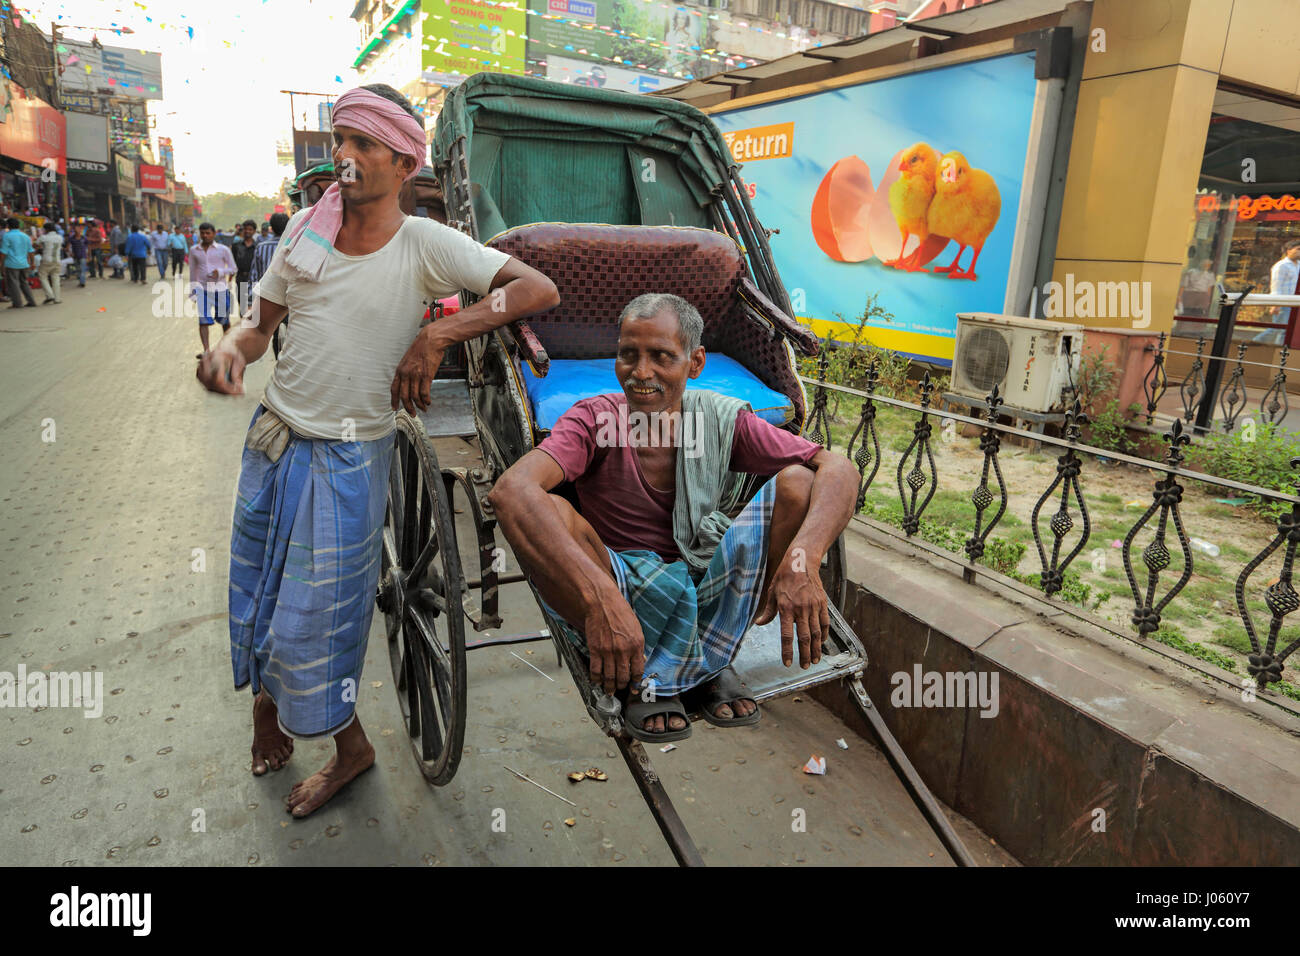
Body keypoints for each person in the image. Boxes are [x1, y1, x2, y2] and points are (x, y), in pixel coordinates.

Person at [196, 83, 558, 817]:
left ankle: (350, 751)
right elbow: (259, 328)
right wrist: (232, 351)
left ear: (402, 162)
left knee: (316, 617)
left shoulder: (426, 242)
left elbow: (535, 288)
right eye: (341, 142)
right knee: (258, 590)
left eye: (364, 145)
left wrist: (436, 335)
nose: (346, 158)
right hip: (273, 440)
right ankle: (268, 706)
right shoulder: (304, 232)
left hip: (350, 458)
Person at [489, 293, 860, 740]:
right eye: (629, 355)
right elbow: (511, 490)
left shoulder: (718, 419)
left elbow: (837, 468)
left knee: (798, 482)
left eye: (662, 356)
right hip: (620, 586)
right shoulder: (594, 418)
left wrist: (802, 563)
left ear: (695, 362)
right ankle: (656, 671)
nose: (641, 373)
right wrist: (600, 602)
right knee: (546, 506)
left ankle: (706, 661)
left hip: (704, 583)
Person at [188, 222, 237, 355]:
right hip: (202, 290)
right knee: (203, 321)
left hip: (220, 289)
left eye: (208, 233)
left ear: (214, 233)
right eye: (202, 233)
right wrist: (192, 292)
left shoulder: (223, 249)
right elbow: (193, 271)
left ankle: (227, 349)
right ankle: (206, 351)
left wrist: (220, 272)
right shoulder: (194, 250)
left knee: (224, 320)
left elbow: (233, 268)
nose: (205, 235)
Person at [2, 218, 37, 308]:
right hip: (24, 263)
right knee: (24, 283)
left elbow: (3, 252)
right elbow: (31, 251)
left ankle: (17, 303)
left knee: (13, 284)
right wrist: (32, 263)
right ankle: (31, 301)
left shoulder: (7, 236)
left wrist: (1, 264)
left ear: (8, 226)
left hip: (11, 263)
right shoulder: (25, 236)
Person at [230, 218, 260, 318]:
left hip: (254, 280)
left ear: (254, 231)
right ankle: (243, 327)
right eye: (246, 229)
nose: (247, 231)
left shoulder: (258, 247)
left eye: (250, 229)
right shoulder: (236, 246)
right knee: (242, 305)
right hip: (241, 278)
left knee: (254, 306)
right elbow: (232, 263)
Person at [36, 222, 63, 304]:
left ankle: (50, 295)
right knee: (56, 279)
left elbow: (35, 244)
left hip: (46, 260)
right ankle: (57, 298)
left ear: (46, 229)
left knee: (42, 276)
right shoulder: (59, 237)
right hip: (57, 260)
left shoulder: (43, 237)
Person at [67, 223, 89, 288]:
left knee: (82, 269)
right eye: (76, 229)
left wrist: (88, 255)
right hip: (75, 256)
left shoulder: (84, 238)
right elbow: (68, 247)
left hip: (83, 255)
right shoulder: (71, 238)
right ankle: (81, 281)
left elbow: (88, 246)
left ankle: (82, 282)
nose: (78, 230)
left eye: (79, 229)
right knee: (78, 269)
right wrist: (70, 253)